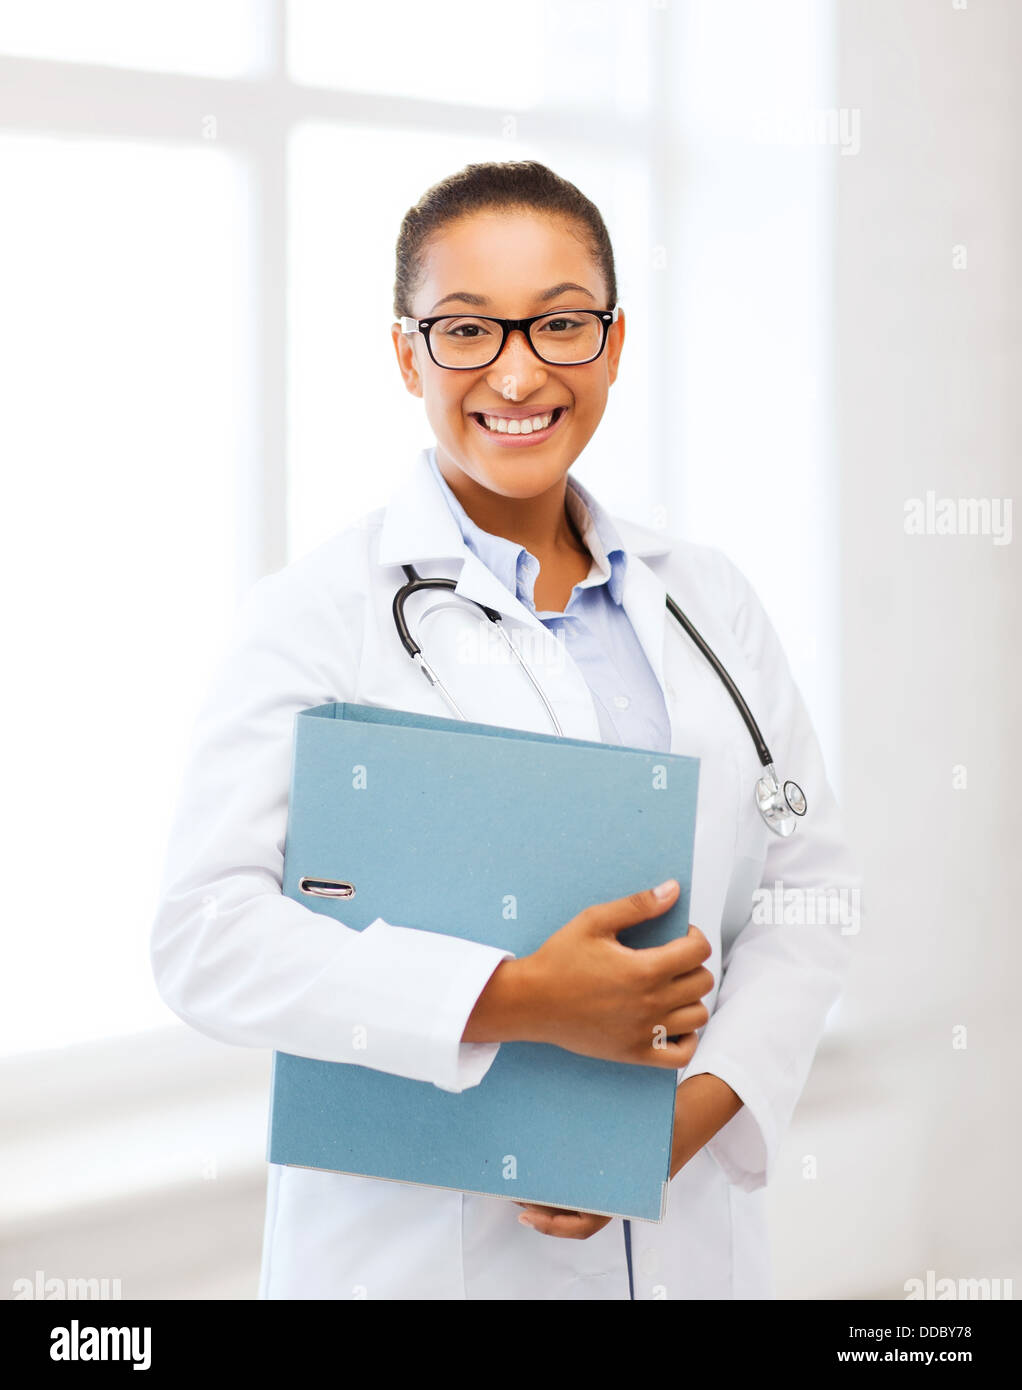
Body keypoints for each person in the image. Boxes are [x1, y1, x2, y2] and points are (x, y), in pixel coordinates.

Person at [151, 159, 860, 1300]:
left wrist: (679, 1123)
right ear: (405, 354)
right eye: (467, 331)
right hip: (422, 1259)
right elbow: (205, 935)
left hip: (686, 1247)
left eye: (561, 323)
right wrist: (516, 997)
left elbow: (806, 891)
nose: (519, 370)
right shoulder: (317, 615)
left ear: (615, 343)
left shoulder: (707, 599)